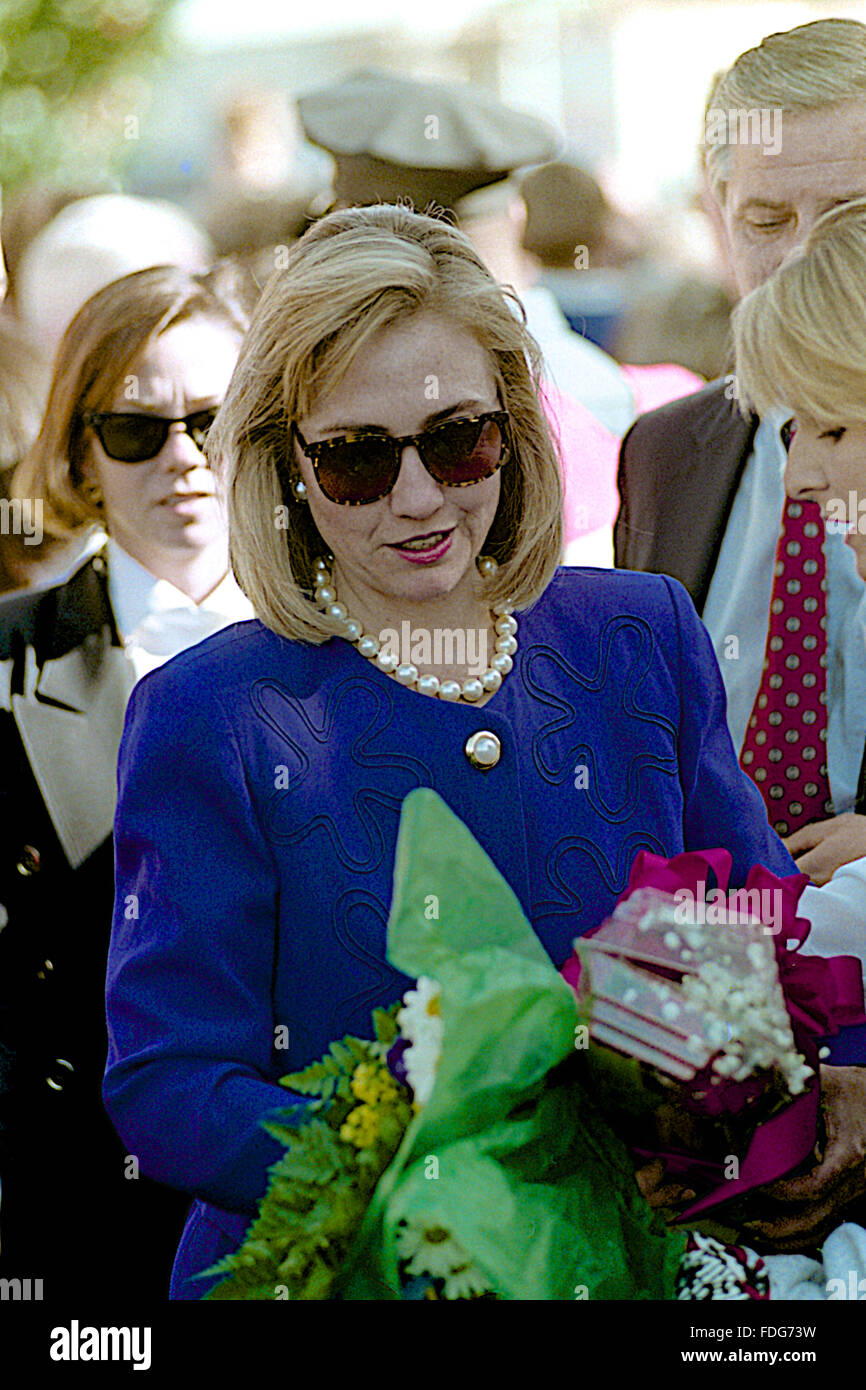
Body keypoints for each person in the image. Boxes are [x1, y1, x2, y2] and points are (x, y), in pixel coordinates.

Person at [99, 204, 866, 1302]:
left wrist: (783, 1100)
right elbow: (171, 1080)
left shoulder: (638, 634)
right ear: (286, 464)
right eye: (357, 460)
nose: (419, 498)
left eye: (459, 439)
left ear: (514, 424)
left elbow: (764, 933)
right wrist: (436, 1179)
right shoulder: (206, 710)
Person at [0, 262, 255, 1299]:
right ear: (78, 452)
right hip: (74, 1215)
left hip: (312, 1185)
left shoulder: (358, 642)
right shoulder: (11, 664)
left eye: (213, 417)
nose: (184, 457)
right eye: (137, 430)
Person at [614, 17, 866, 882]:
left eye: (846, 217)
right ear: (717, 213)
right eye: (766, 219)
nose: (801, 256)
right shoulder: (663, 453)